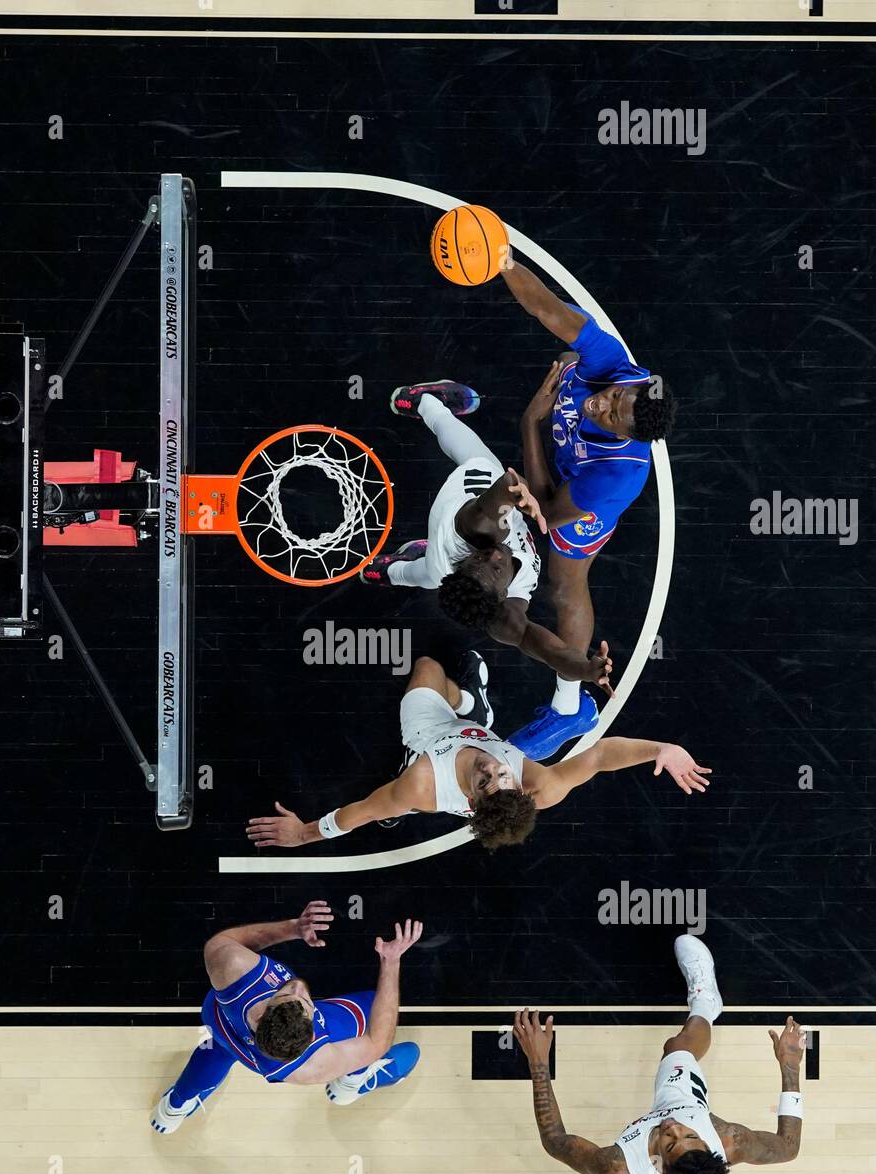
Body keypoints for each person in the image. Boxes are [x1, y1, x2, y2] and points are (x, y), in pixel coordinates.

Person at [513, 936, 805, 1174]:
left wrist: (538, 1061)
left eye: (669, 1143)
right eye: (690, 1136)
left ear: (659, 1164)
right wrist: (790, 1067)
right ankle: (706, 1004)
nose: (674, 1128)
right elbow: (788, 1146)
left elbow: (556, 1141)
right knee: (676, 1046)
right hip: (685, 1101)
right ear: (709, 1148)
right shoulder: (729, 1140)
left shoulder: (621, 1168)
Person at [246, 652, 710, 854]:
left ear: (474, 801)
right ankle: (473, 704)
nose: (493, 771)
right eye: (501, 778)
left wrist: (304, 834)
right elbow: (599, 756)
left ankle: (464, 704)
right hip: (471, 731)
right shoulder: (534, 787)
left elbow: (357, 813)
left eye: (487, 782)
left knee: (426, 667)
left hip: (429, 739)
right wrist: (661, 749)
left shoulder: (422, 783)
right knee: (508, 738)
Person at [497, 252, 677, 758]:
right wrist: (503, 262)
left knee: (565, 582)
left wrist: (531, 423)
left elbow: (548, 512)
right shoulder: (613, 364)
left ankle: (569, 704)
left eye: (614, 414)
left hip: (577, 509)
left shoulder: (622, 472)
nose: (604, 403)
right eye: (616, 395)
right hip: (566, 470)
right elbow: (547, 308)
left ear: (628, 434)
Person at [361, 379, 612, 695]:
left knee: (454, 438)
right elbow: (551, 652)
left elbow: (505, 484)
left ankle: (423, 402)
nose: (494, 555)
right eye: (494, 567)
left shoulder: (480, 528)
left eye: (481, 557)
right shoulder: (501, 616)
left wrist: (523, 494)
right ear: (502, 599)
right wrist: (584, 669)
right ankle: (384, 572)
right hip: (440, 565)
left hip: (470, 485)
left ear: (465, 560)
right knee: (421, 574)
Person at [150, 903, 422, 1132]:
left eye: (286, 995)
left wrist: (292, 928)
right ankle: (350, 1084)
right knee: (372, 1008)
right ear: (314, 1035)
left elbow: (226, 942)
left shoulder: (233, 968)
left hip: (222, 1024)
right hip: (248, 1043)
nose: (298, 987)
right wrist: (391, 961)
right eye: (304, 1002)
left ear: (262, 1016)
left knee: (221, 1047)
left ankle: (175, 1107)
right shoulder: (312, 1065)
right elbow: (378, 1041)